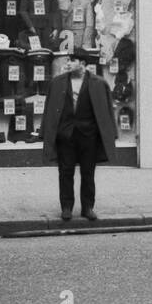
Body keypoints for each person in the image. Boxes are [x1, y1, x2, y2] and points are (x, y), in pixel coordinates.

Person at [40, 55, 117, 221]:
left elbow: (107, 111)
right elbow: (49, 109)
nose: (68, 64)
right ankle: (66, 207)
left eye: (72, 61)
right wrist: (46, 132)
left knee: (88, 173)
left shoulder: (98, 83)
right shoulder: (58, 82)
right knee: (65, 172)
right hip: (65, 135)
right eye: (68, 61)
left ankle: (87, 207)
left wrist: (111, 133)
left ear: (82, 64)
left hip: (88, 135)